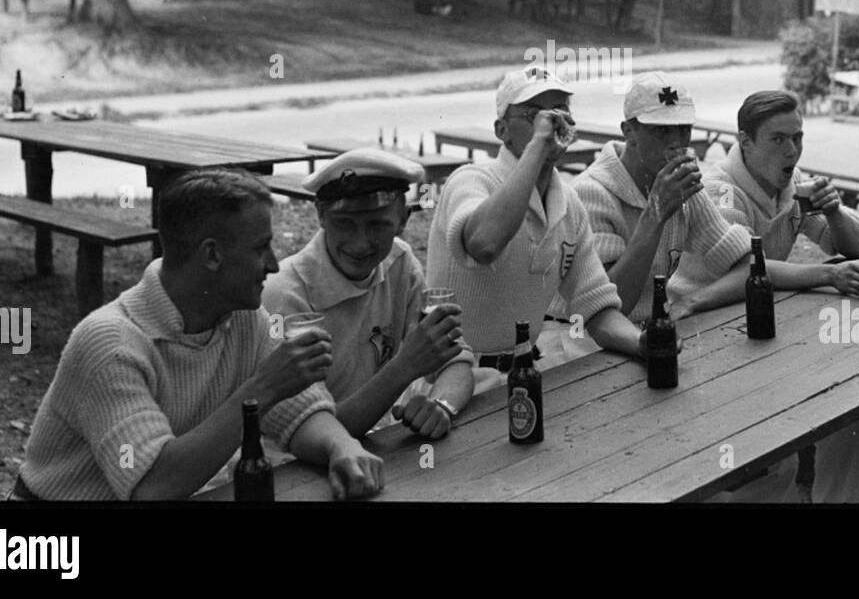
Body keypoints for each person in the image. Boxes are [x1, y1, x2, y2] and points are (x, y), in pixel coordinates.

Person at [16, 168, 384, 501]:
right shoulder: (110, 344)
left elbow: (299, 414)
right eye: (260, 248)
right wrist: (263, 389)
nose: (273, 264)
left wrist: (341, 446)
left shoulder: (243, 318)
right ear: (211, 255)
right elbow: (154, 487)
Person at [672, 90, 859, 503]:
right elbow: (752, 264)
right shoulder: (720, 190)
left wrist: (835, 212)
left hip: (757, 325)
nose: (792, 150)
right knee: (771, 440)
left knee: (849, 400)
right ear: (745, 142)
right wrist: (828, 274)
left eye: (797, 137)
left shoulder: (792, 185)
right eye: (778, 140)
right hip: (696, 332)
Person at [424, 65, 655, 392]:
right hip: (457, 381)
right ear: (501, 130)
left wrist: (642, 342)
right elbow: (484, 244)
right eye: (535, 113)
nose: (553, 121)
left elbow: (596, 306)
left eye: (562, 110)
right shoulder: (471, 180)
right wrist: (539, 148)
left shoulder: (568, 203)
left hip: (527, 373)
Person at [262, 149, 474, 442]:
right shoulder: (284, 293)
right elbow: (319, 431)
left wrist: (441, 406)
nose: (360, 244)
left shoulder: (400, 262)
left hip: (370, 447)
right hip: (291, 467)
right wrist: (405, 366)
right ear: (321, 215)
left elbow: (455, 358)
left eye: (377, 225)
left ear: (402, 220)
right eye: (344, 224)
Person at [561, 71, 752, 325]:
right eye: (661, 131)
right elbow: (610, 308)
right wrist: (656, 214)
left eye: (683, 130)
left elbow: (747, 264)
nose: (675, 143)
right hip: (578, 340)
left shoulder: (680, 187)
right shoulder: (591, 193)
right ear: (629, 131)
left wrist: (693, 301)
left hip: (649, 329)